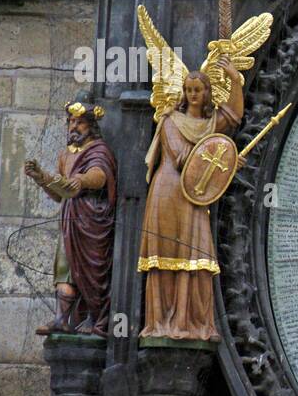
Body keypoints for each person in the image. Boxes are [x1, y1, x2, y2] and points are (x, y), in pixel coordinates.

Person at [137, 56, 242, 341]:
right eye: (189, 89)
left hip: (194, 195)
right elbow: (183, 158)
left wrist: (234, 78)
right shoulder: (171, 121)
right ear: (184, 92)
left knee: (197, 255)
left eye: (199, 89)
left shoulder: (209, 124)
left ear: (207, 93)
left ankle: (192, 322)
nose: (193, 94)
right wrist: (223, 157)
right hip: (170, 191)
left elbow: (233, 116)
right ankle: (163, 322)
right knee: (169, 254)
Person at [24, 98, 117, 336]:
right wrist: (40, 177)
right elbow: (60, 194)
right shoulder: (65, 156)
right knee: (65, 268)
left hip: (91, 220)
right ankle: (61, 319)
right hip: (69, 219)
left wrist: (81, 180)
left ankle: (97, 319)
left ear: (91, 126)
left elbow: (99, 176)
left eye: (80, 123)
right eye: (71, 122)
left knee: (90, 269)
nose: (74, 127)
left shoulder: (99, 150)